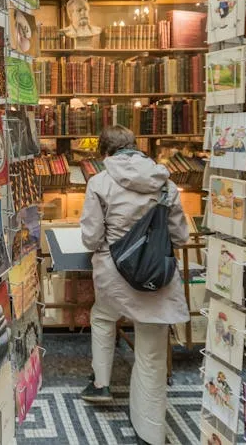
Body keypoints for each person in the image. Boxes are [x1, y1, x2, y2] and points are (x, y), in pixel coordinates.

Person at [79, 125, 190, 445]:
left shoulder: (98, 182)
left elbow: (91, 238)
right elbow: (181, 237)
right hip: (157, 280)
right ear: (136, 147)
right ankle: (151, 431)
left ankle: (100, 383)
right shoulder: (166, 183)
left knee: (102, 315)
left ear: (104, 153)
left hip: (114, 276)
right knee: (152, 354)